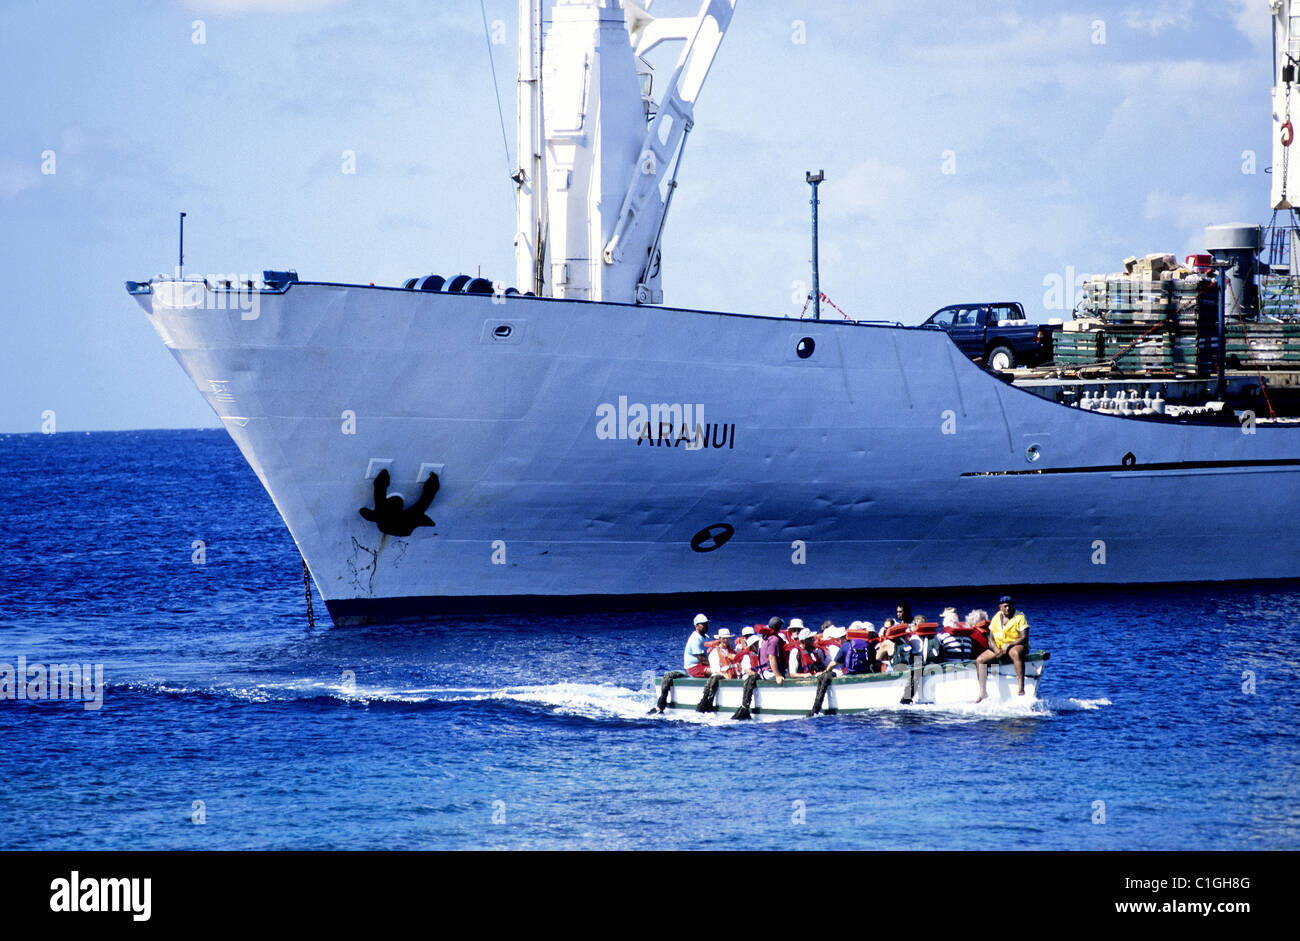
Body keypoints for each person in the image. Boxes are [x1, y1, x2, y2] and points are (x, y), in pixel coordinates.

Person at [975, 596, 1030, 701]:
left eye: (1009, 606)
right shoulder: (996, 617)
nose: (1007, 609)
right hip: (999, 647)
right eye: (1005, 606)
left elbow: (1024, 637)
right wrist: (996, 650)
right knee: (980, 660)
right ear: (1000, 607)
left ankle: (1021, 687)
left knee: (1015, 653)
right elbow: (990, 639)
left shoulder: (1020, 617)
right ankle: (982, 692)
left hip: (1016, 645)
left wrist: (1009, 645)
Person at [758, 616, 787, 684]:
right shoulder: (774, 639)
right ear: (779, 627)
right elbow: (772, 658)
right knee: (790, 676)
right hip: (770, 673)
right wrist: (777, 675)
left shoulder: (764, 638)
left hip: (764, 671)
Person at [683, 613, 711, 678]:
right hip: (693, 667)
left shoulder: (706, 637)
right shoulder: (695, 638)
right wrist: (715, 666)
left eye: (706, 623)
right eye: (703, 624)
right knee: (715, 671)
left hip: (702, 665)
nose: (706, 626)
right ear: (696, 626)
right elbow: (701, 658)